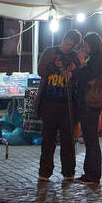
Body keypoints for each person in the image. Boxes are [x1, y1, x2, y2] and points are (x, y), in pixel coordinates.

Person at [33, 29, 82, 182]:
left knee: (68, 140)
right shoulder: (49, 52)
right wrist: (55, 67)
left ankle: (68, 172)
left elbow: (79, 76)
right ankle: (45, 173)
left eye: (72, 46)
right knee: (48, 139)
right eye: (68, 44)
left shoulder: (74, 56)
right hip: (49, 103)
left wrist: (73, 72)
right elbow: (41, 71)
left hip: (67, 104)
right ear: (64, 39)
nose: (69, 47)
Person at [73, 32, 102, 187]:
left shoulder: (96, 61)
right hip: (89, 103)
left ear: (92, 45)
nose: (84, 47)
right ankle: (89, 173)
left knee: (91, 139)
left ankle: (93, 175)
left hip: (91, 103)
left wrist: (81, 64)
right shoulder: (96, 60)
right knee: (89, 139)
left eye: (86, 45)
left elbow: (85, 78)